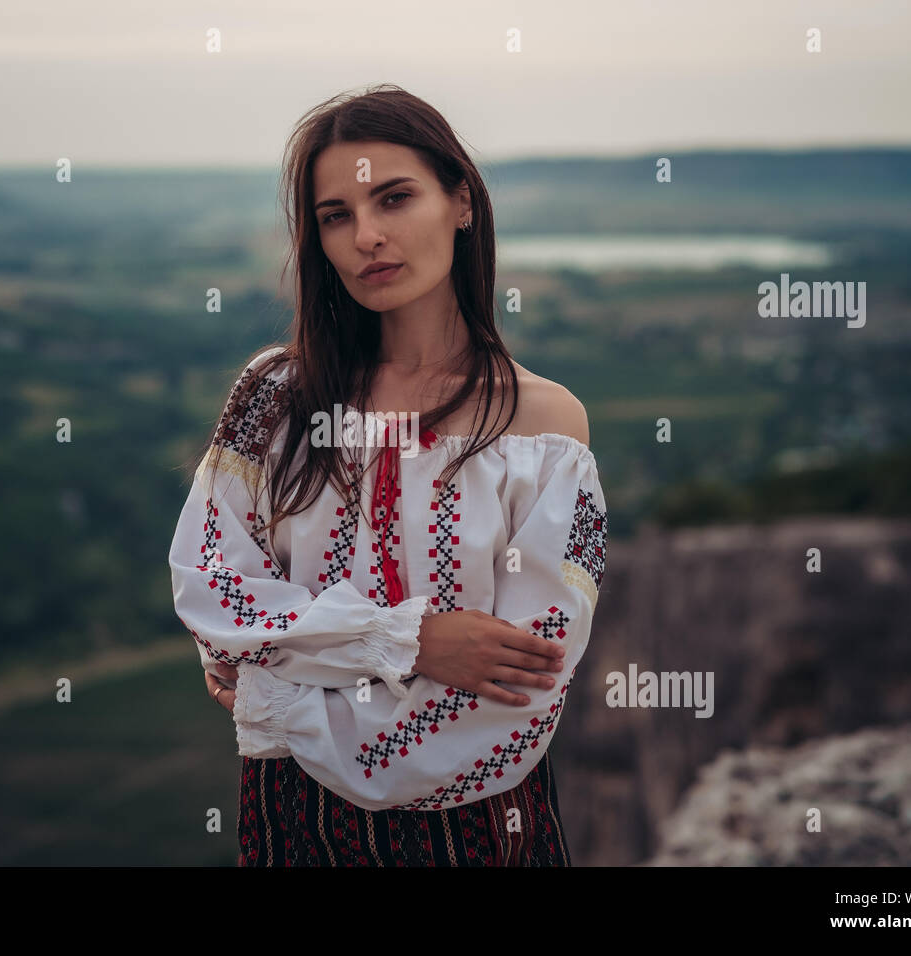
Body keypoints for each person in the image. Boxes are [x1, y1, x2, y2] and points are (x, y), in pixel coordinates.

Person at [167, 84, 608, 866]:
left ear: (460, 201)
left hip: (481, 825)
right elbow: (214, 597)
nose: (367, 235)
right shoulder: (273, 397)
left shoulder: (547, 427)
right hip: (292, 821)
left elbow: (524, 688)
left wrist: (283, 685)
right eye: (337, 215)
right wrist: (413, 641)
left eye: (394, 198)